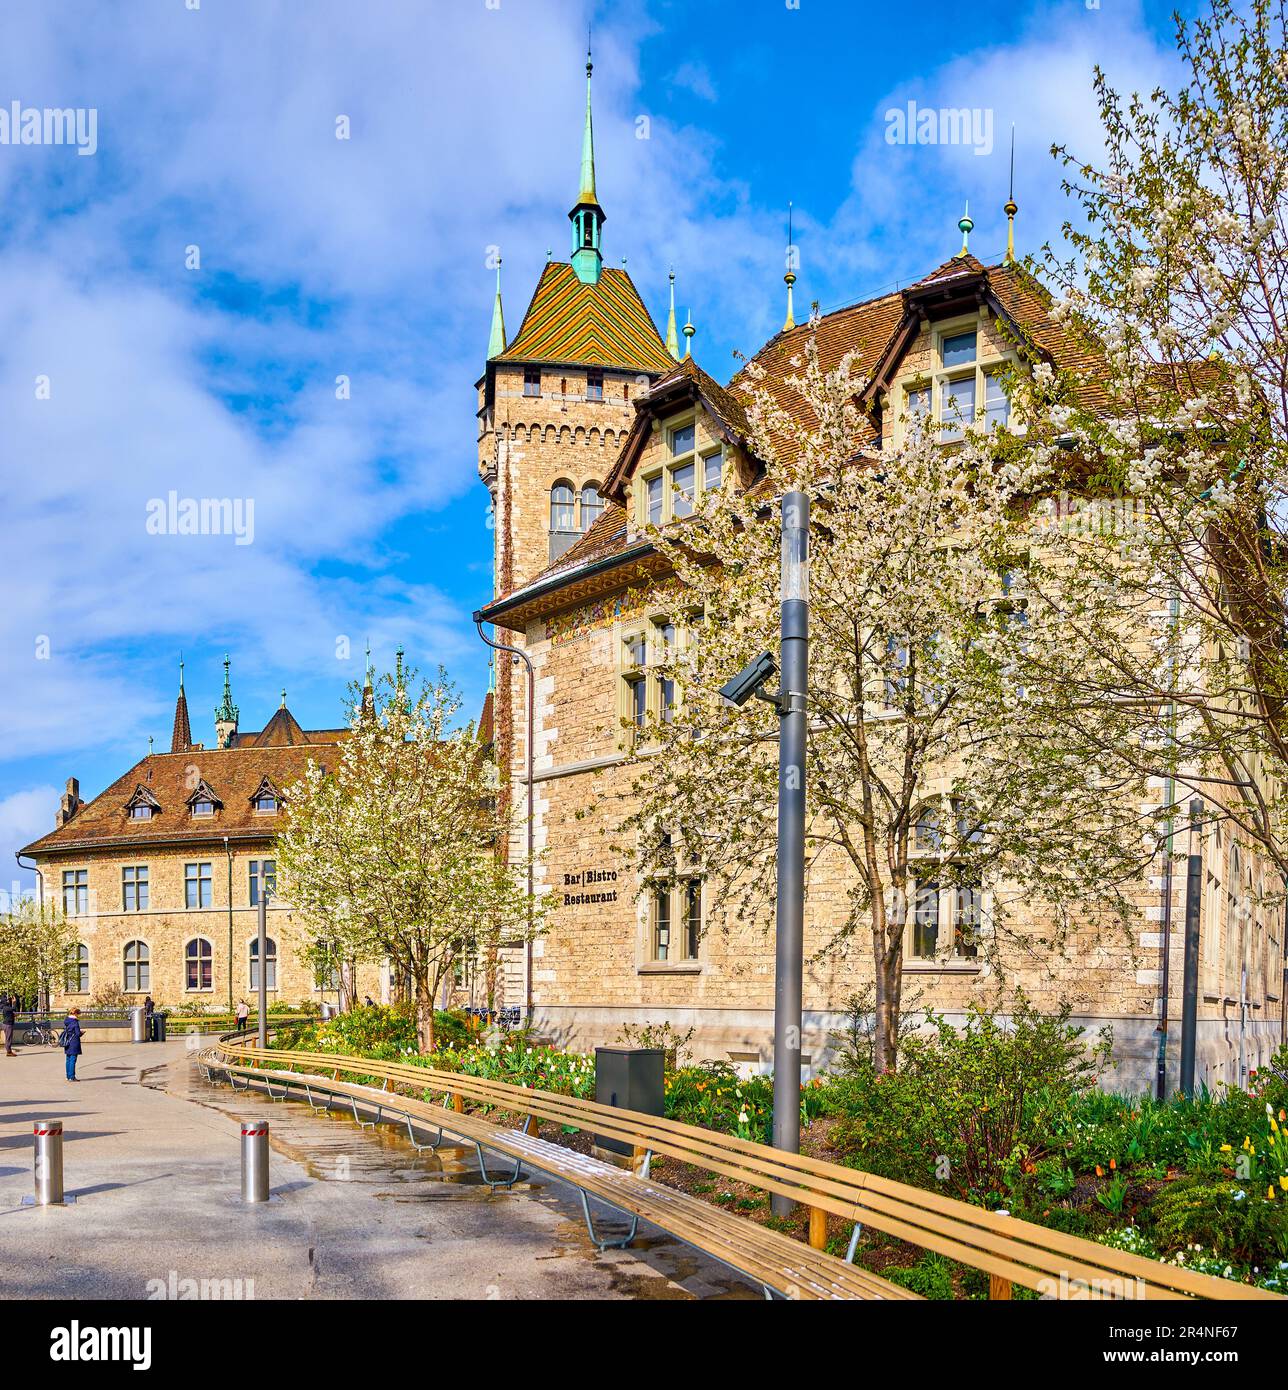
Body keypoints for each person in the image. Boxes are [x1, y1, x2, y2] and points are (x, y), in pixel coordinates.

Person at [60, 1007, 83, 1082]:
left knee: (68, 1059)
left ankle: (68, 1076)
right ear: (75, 1013)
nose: (78, 1016)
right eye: (78, 1014)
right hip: (74, 1042)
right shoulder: (74, 1022)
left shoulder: (67, 1020)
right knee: (73, 1059)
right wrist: (82, 1033)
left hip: (67, 1041)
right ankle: (72, 1077)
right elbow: (77, 1033)